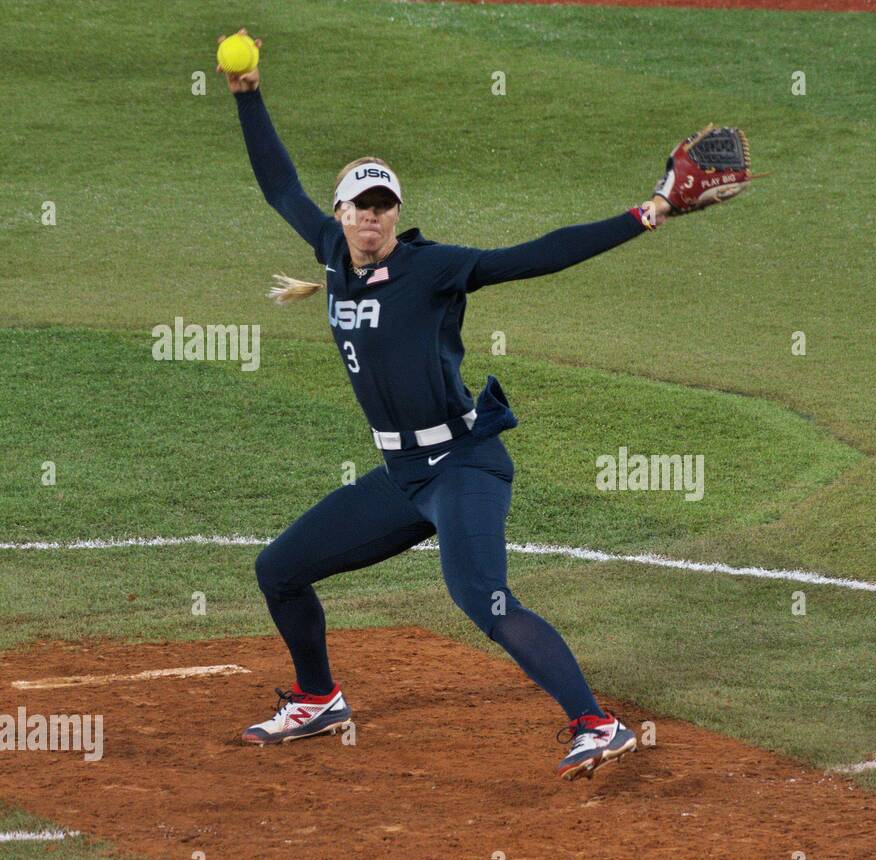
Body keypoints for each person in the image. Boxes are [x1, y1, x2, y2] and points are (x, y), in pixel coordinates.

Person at [221, 30, 749, 779]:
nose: (371, 218)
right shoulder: (333, 257)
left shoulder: (433, 268)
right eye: (359, 206)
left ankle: (595, 722)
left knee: (485, 600)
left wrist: (651, 209)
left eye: (383, 206)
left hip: (463, 466)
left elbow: (536, 254)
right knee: (279, 569)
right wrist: (247, 94)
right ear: (339, 213)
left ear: (396, 214)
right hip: (403, 477)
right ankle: (318, 699)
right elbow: (277, 184)